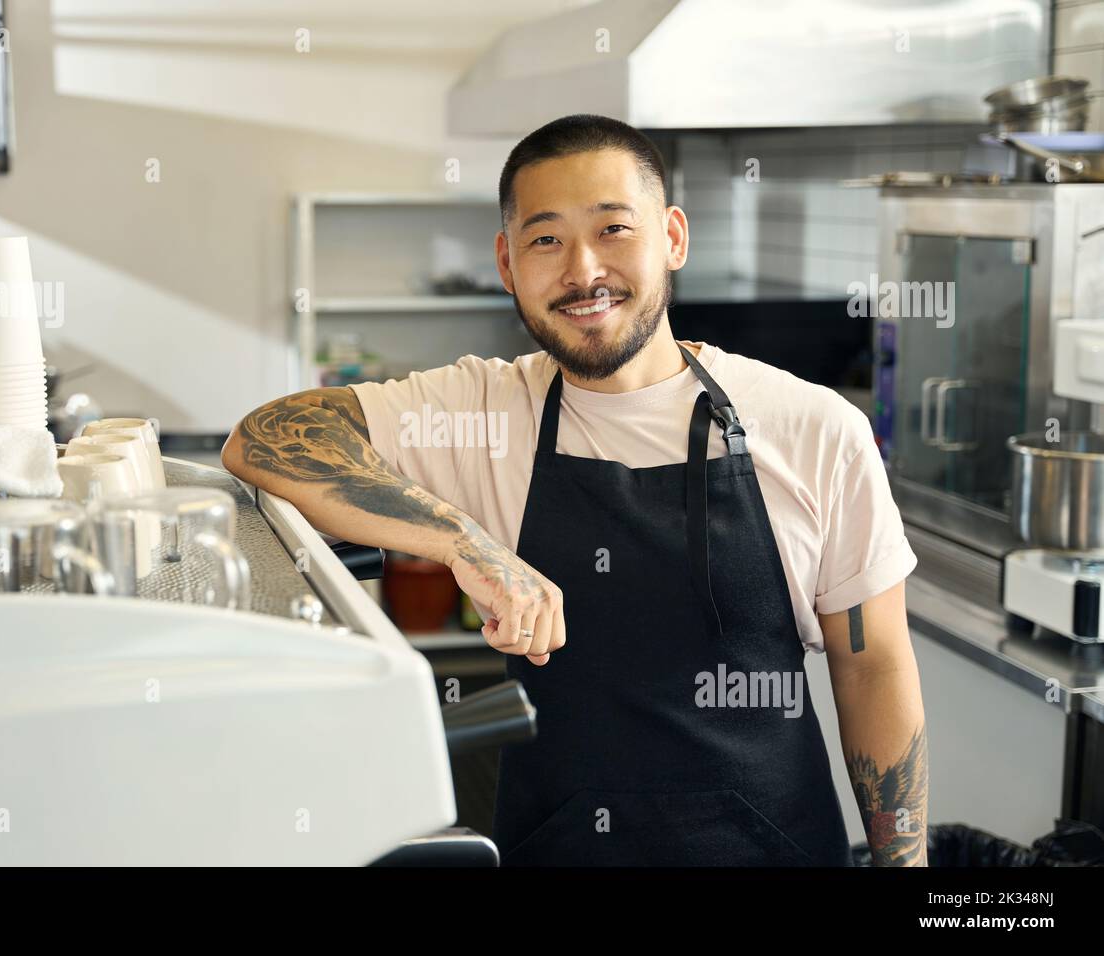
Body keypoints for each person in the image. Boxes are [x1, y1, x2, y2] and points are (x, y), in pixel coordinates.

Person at [223, 114, 928, 867]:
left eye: (614, 229)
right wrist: (466, 543)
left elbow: (873, 665)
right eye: (546, 240)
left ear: (673, 238)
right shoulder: (483, 411)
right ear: (507, 263)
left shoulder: (813, 427)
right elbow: (262, 436)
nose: (583, 271)